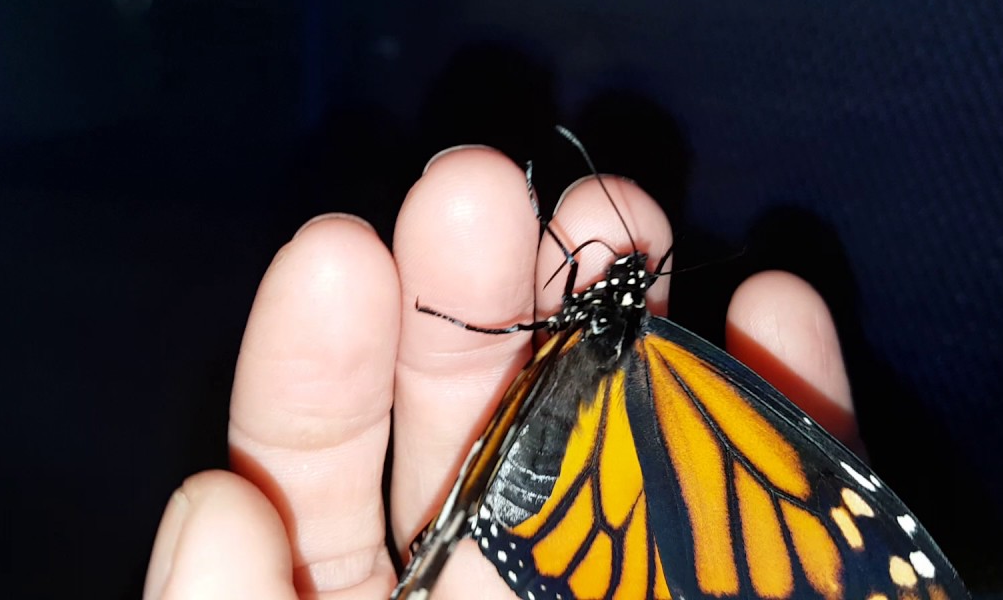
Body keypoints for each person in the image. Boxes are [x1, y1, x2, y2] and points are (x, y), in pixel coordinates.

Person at [142, 145, 857, 600]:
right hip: (596, 510)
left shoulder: (663, 361)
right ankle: (456, 536)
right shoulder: (658, 359)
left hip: (604, 517)